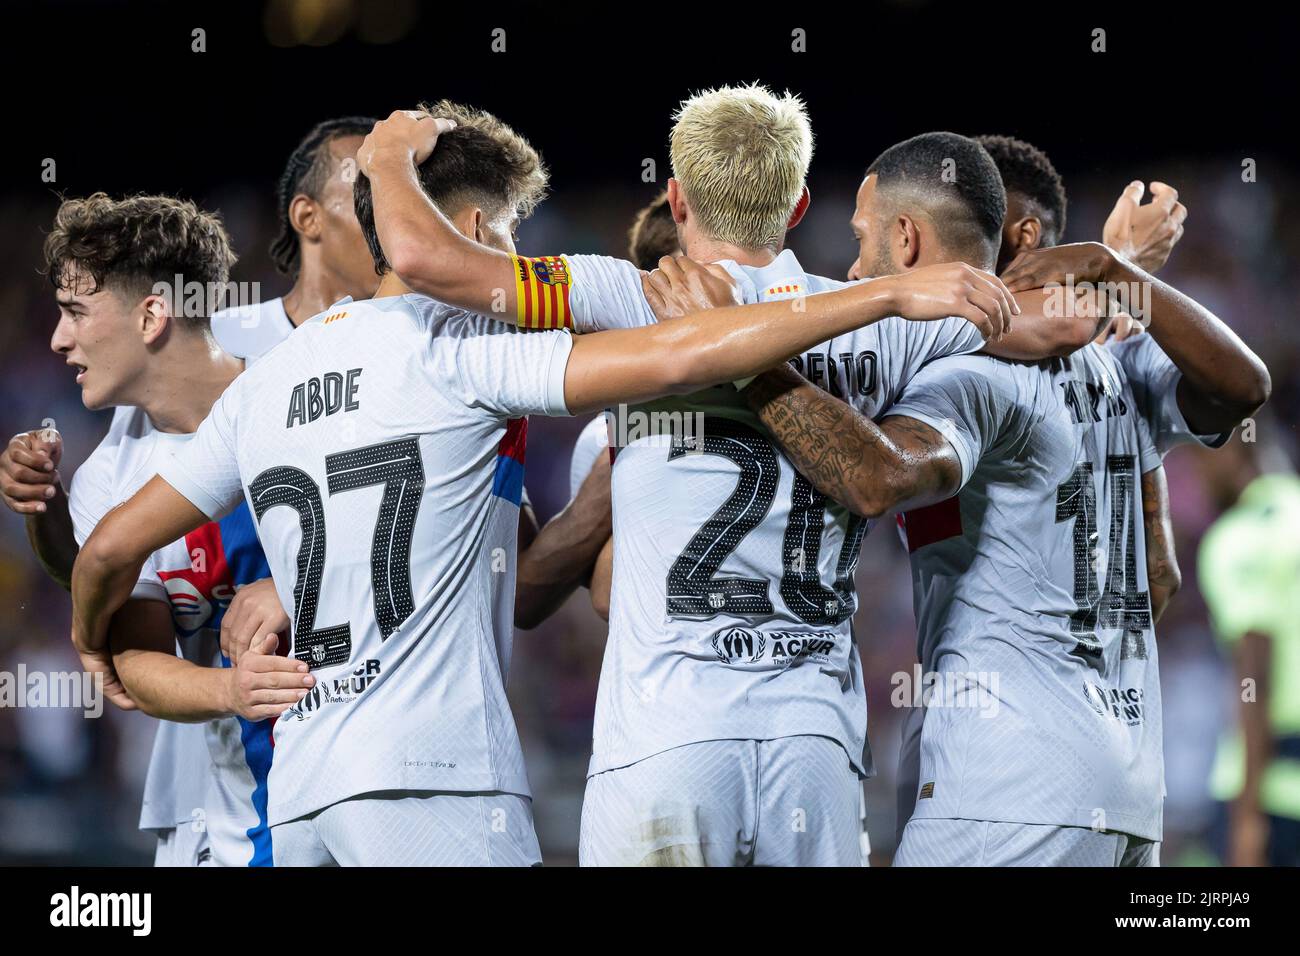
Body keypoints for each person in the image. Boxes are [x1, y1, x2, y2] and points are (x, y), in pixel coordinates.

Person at [69, 102, 1017, 867]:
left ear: (677, 199)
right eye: (511, 232)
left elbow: (110, 547)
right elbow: (693, 353)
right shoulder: (479, 359)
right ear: (801, 202)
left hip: (338, 784)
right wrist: (895, 289)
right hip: (508, 772)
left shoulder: (265, 380)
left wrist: (92, 643)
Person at [361, 92, 1085, 865]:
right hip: (815, 743)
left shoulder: (625, 297)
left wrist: (386, 160)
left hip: (666, 740)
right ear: (799, 204)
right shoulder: (879, 320)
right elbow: (1066, 321)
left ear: (676, 198)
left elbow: (423, 259)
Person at [736, 135, 1269, 864]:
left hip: (1004, 788)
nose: (859, 269)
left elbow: (877, 477)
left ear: (1015, 237)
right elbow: (1162, 572)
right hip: (1126, 792)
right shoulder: (1116, 364)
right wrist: (1117, 271)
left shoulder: (971, 378)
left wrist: (747, 365)